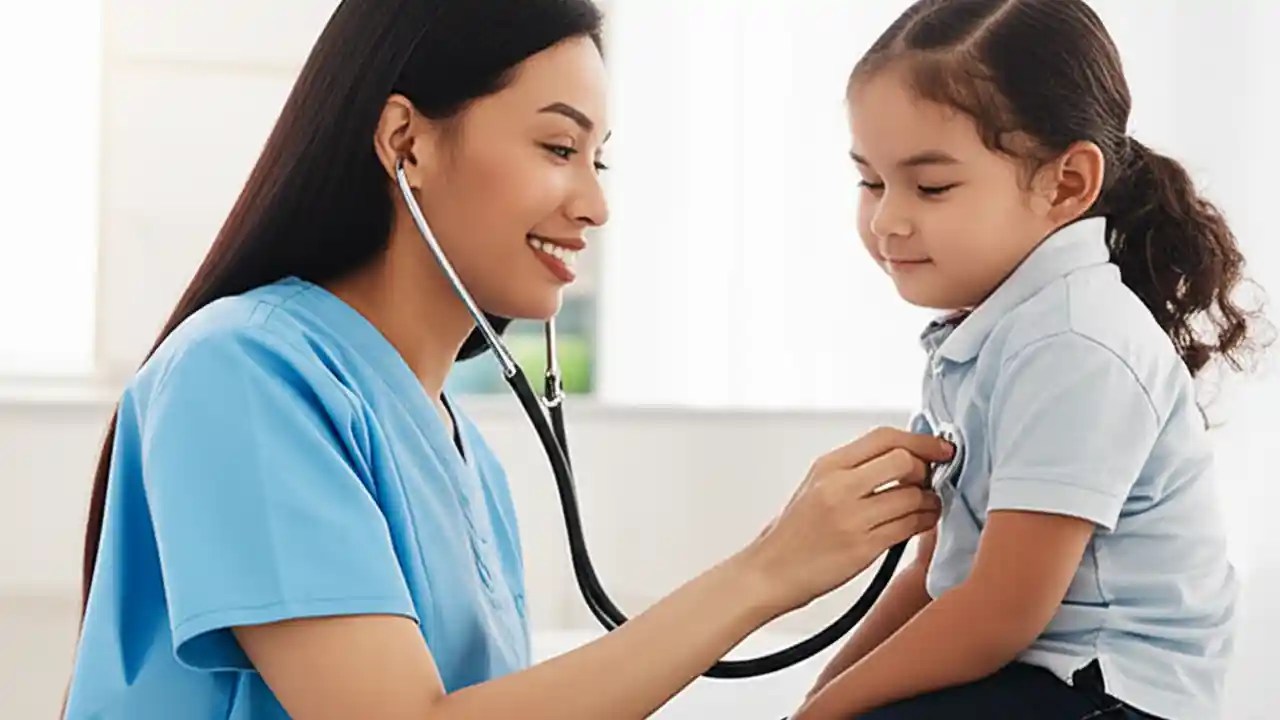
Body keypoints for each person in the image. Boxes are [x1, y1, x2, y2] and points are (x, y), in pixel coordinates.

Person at [63, 2, 952, 718]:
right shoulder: (243, 374)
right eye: (560, 148)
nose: (597, 203)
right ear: (406, 141)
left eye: (600, 160)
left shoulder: (468, 457)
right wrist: (768, 571)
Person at [793, 1, 1272, 719]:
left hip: (1106, 694)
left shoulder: (1075, 343)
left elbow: (995, 616)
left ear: (1067, 184)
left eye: (931, 187)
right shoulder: (992, 331)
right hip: (1029, 674)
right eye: (870, 182)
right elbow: (936, 576)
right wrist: (820, 698)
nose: (888, 219)